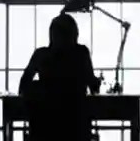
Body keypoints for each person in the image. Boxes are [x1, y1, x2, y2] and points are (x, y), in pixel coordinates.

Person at [18, 13, 101, 141]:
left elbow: (24, 84)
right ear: (74, 34)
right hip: (76, 127)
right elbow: (93, 87)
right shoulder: (81, 53)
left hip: (44, 129)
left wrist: (36, 91)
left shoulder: (41, 54)